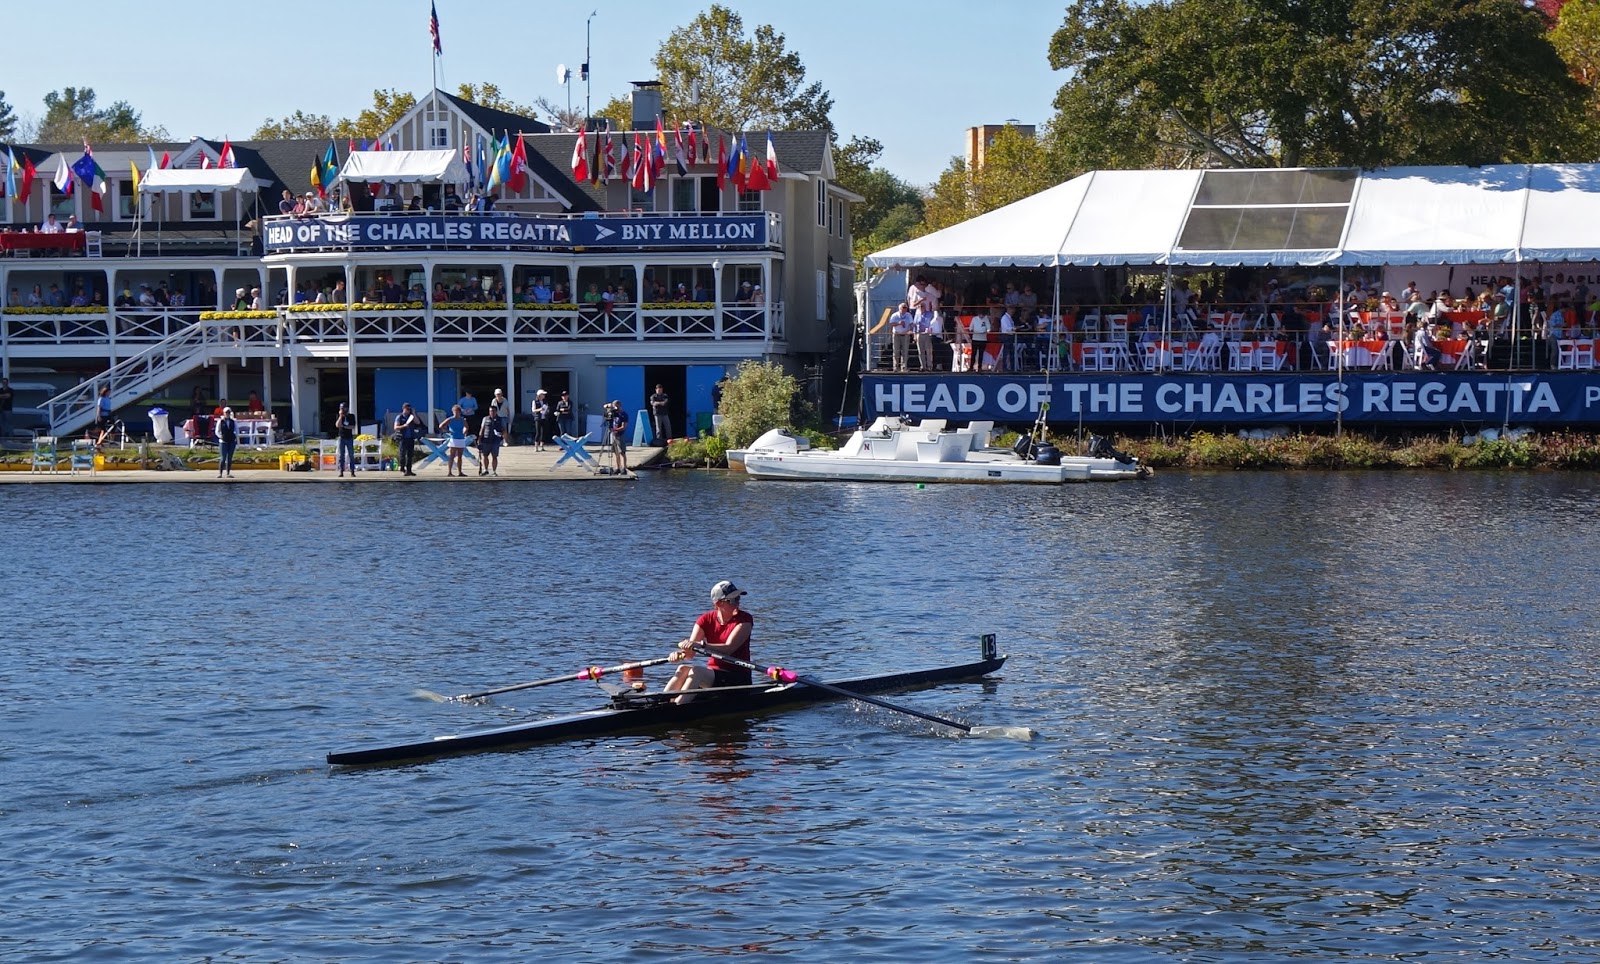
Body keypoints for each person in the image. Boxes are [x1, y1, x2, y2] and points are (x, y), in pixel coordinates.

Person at [662, 580, 754, 705]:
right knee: (682, 668)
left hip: (738, 678)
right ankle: (660, 703)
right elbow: (689, 655)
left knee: (697, 671)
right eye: (733, 600)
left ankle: (677, 706)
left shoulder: (745, 619)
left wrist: (702, 645)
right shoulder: (705, 620)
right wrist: (679, 654)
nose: (737, 603)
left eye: (738, 598)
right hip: (714, 676)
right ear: (718, 603)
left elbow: (729, 649)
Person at [394, 402, 423, 476]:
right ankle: (402, 468)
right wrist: (403, 426)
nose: (408, 411)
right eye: (407, 409)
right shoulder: (399, 417)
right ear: (403, 409)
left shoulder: (411, 417)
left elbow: (418, 422)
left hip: (410, 438)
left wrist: (414, 413)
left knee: (410, 455)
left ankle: (409, 470)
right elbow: (396, 427)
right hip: (403, 438)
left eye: (409, 409)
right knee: (402, 454)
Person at [440, 403, 469, 476]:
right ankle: (449, 472)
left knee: (460, 456)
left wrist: (464, 432)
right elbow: (441, 426)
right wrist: (447, 431)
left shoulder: (462, 420)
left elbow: (466, 427)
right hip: (453, 438)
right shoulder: (450, 419)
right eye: (454, 411)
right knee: (452, 456)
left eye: (457, 411)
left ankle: (460, 472)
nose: (456, 413)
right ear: (453, 412)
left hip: (461, 439)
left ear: (459, 412)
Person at [477, 404, 504, 476]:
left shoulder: (500, 419)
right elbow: (482, 429)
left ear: (496, 412)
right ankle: (486, 470)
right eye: (491, 411)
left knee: (494, 456)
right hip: (486, 440)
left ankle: (494, 471)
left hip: (495, 441)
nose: (492, 412)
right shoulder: (485, 419)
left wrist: (504, 439)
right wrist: (479, 439)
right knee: (485, 455)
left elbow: (504, 429)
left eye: (493, 411)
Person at [332, 401, 357, 477]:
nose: (342, 410)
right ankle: (341, 471)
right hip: (341, 437)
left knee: (351, 455)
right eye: (341, 408)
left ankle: (352, 471)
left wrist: (345, 426)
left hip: (349, 437)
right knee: (341, 455)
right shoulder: (339, 416)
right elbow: (337, 425)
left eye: (343, 408)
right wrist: (340, 416)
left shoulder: (351, 416)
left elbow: (352, 426)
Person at [888, 302, 913, 372]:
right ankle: (896, 367)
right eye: (903, 308)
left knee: (905, 351)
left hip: (905, 335)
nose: (904, 309)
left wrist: (911, 330)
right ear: (899, 309)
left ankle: (904, 367)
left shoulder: (909, 315)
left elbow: (911, 324)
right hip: (896, 334)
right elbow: (891, 323)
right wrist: (898, 323)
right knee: (896, 351)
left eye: (905, 308)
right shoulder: (895, 315)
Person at [215, 407, 238, 478]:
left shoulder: (233, 421)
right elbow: (217, 431)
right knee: (223, 457)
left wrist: (235, 436)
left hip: (231, 441)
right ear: (224, 413)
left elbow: (236, 430)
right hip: (223, 441)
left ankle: (228, 473)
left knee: (229, 458)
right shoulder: (220, 421)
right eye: (226, 413)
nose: (227, 414)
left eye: (228, 413)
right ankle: (220, 473)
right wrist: (220, 436)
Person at [607, 400, 628, 475]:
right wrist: (609, 406)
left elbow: (623, 427)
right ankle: (618, 467)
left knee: (622, 452)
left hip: (620, 435)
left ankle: (624, 468)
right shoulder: (614, 414)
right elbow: (605, 407)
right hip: (613, 435)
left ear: (619, 406)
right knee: (616, 453)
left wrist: (615, 429)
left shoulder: (623, 415)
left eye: (616, 406)